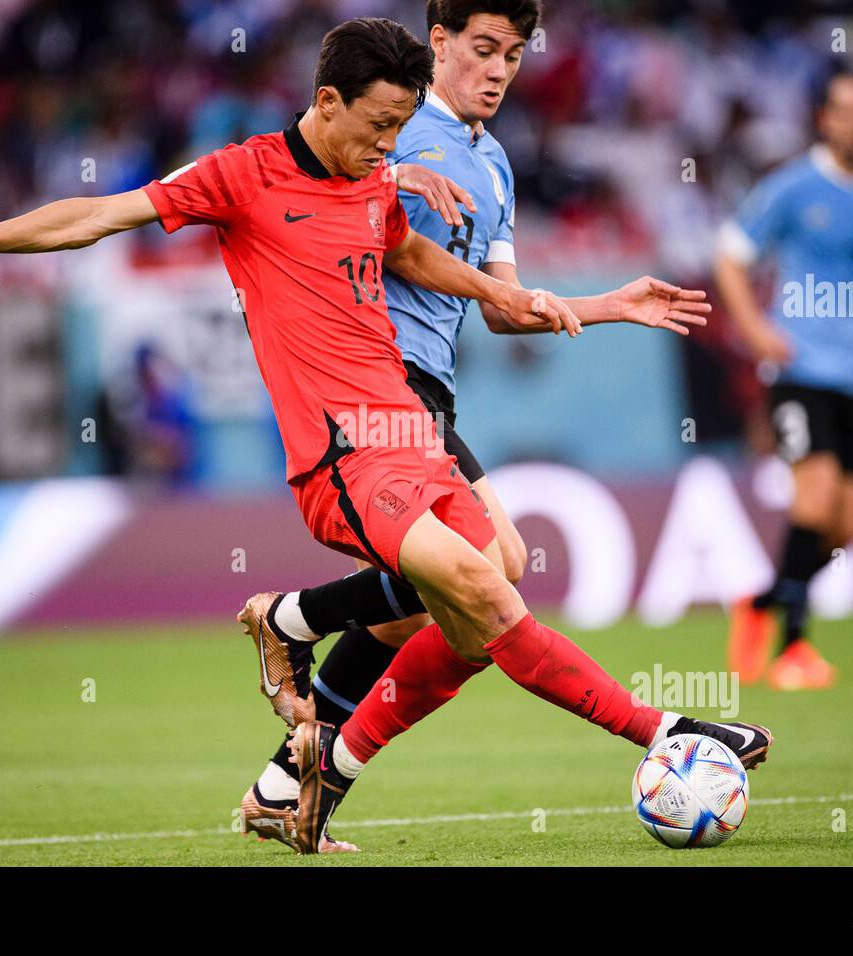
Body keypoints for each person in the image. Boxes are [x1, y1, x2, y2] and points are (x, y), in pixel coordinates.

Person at [0, 17, 771, 858]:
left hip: (412, 431)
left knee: (467, 612)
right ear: (326, 101)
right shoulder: (241, 176)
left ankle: (310, 748)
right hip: (344, 456)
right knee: (486, 598)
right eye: (377, 127)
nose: (388, 147)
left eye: (400, 129)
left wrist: (508, 293)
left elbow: (410, 253)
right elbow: (96, 215)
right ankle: (670, 733)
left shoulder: (375, 183)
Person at [236, 0, 713, 854]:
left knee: (427, 607)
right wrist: (392, 178)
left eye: (515, 55)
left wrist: (608, 305)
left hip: (431, 391)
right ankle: (295, 633)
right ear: (440, 44)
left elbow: (503, 311)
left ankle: (285, 778)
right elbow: (308, 178)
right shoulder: (395, 129)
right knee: (485, 578)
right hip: (379, 385)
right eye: (483, 49)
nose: (498, 70)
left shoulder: (493, 163)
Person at [716, 72, 853, 691]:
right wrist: (756, 332)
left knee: (843, 529)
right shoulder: (791, 189)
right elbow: (729, 256)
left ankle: (759, 603)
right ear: (824, 119)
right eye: (845, 112)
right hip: (801, 371)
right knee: (812, 501)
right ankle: (795, 648)